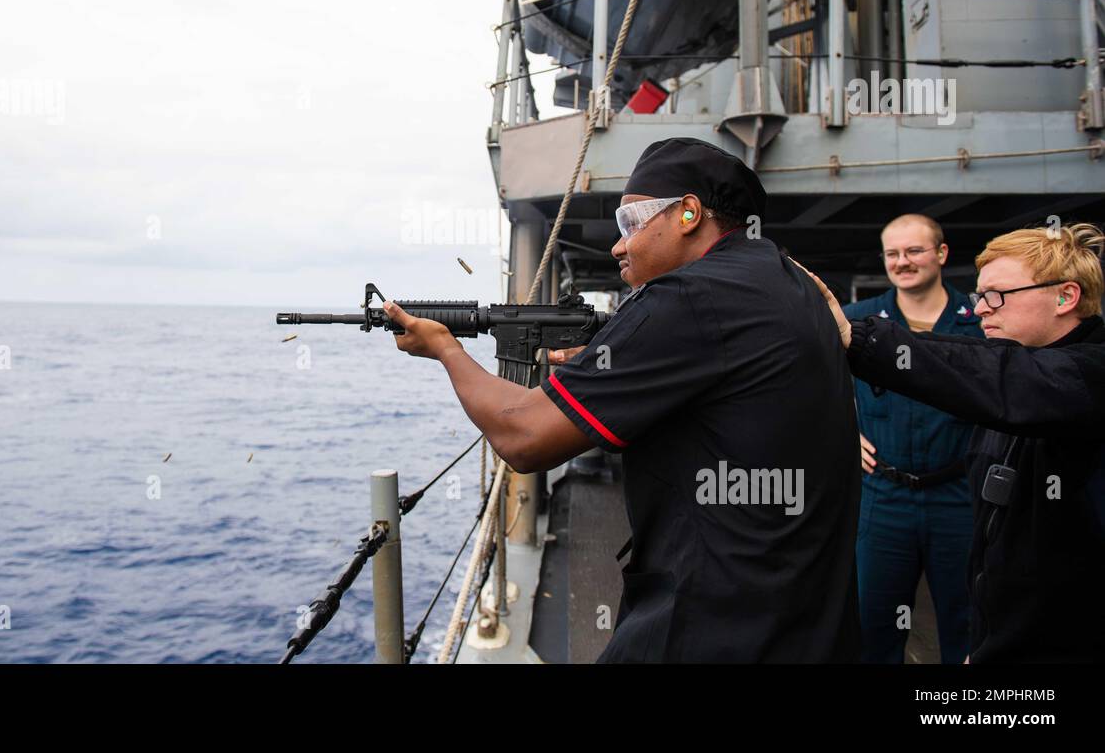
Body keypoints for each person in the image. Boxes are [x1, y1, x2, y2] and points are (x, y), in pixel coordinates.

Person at [384, 138, 861, 662]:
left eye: (631, 223)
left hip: (715, 623)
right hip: (808, 616)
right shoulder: (793, 283)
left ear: (688, 214)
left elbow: (523, 436)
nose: (617, 245)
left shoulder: (684, 297)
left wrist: (445, 349)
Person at [801, 222, 1105, 663]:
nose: (982, 309)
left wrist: (860, 340)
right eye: (981, 296)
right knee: (876, 617)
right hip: (896, 502)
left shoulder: (1085, 375)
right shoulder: (1014, 377)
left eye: (998, 295)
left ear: (1065, 296)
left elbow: (1003, 378)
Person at [843, 214, 981, 664]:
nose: (903, 262)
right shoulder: (856, 323)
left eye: (914, 251)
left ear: (941, 254)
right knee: (874, 623)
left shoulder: (979, 322)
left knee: (970, 621)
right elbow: (805, 384)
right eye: (893, 254)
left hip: (960, 496)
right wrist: (842, 431)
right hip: (883, 498)